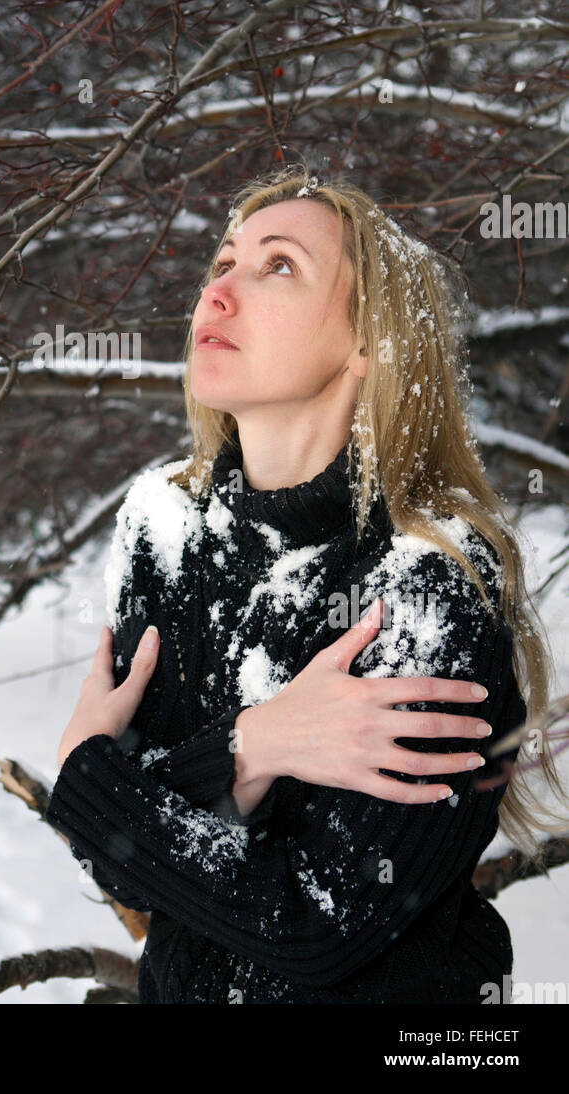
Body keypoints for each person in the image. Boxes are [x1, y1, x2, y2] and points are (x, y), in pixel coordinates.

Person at [45, 163, 569, 1004]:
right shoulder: (165, 531)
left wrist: (87, 777)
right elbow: (124, 870)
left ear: (369, 340)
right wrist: (252, 745)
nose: (217, 293)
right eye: (222, 263)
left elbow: (311, 927)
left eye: (277, 265)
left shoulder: (428, 581)